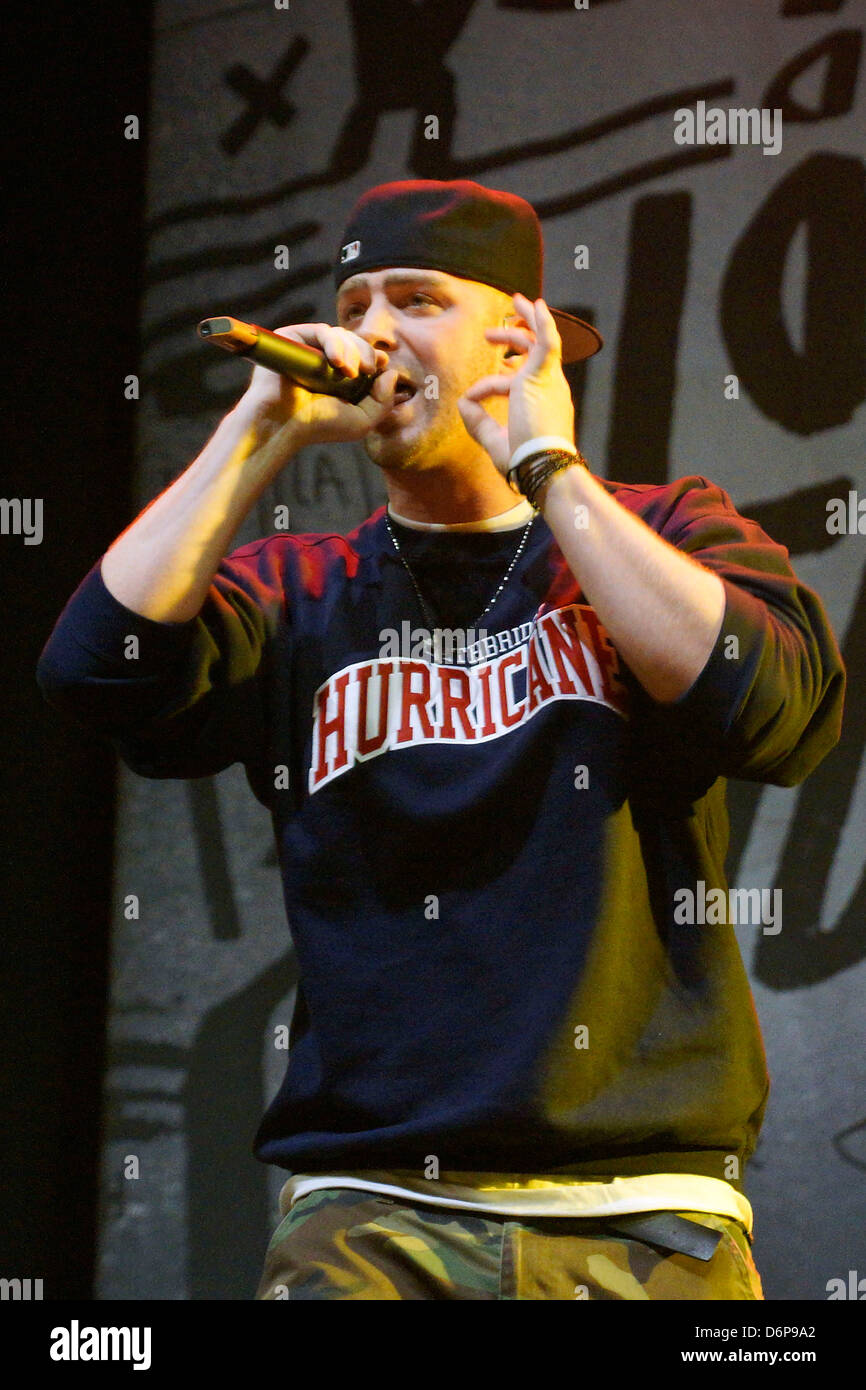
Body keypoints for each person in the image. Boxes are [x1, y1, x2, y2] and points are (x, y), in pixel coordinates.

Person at [37, 179, 845, 1301]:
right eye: (355, 301)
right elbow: (91, 671)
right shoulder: (297, 592)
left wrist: (547, 467)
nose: (370, 332)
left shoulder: (665, 529)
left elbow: (772, 708)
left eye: (412, 298)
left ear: (517, 332)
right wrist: (254, 429)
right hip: (366, 1214)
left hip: (642, 1217)